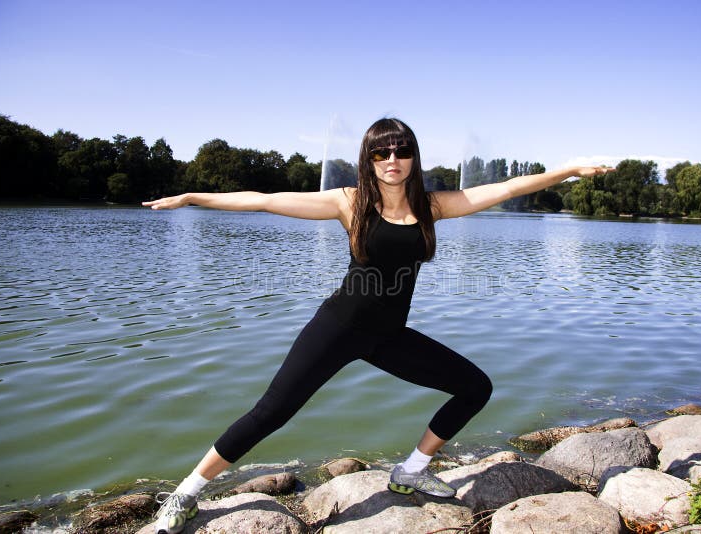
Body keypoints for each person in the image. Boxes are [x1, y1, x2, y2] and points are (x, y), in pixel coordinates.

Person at [142, 118, 613, 534]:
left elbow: (510, 188)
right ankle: (184, 494)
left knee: (476, 388)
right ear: (368, 158)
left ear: (413, 157)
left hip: (389, 336)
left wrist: (568, 170)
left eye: (402, 150)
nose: (393, 159)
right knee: (270, 413)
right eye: (381, 151)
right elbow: (265, 200)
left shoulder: (434, 206)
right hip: (337, 328)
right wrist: (191, 197)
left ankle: (412, 469)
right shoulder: (348, 202)